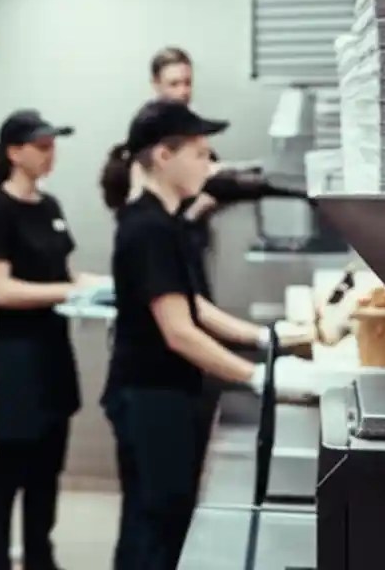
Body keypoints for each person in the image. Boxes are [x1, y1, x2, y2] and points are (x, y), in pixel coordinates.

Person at [103, 100, 319, 570]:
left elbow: (192, 305)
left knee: (162, 519)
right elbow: (179, 332)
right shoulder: (147, 228)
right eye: (200, 153)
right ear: (164, 156)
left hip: (166, 394)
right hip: (150, 398)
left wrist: (268, 338)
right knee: (153, 528)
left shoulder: (168, 221)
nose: (211, 164)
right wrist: (261, 378)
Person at [0, 109, 106, 570]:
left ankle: (39, 556)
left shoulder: (50, 208)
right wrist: (70, 290)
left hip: (54, 353)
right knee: (11, 462)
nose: (51, 155)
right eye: (43, 146)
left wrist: (108, 285)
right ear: (15, 152)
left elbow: (66, 273)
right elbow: (1, 289)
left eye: (54, 146)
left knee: (48, 465)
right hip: (17, 359)